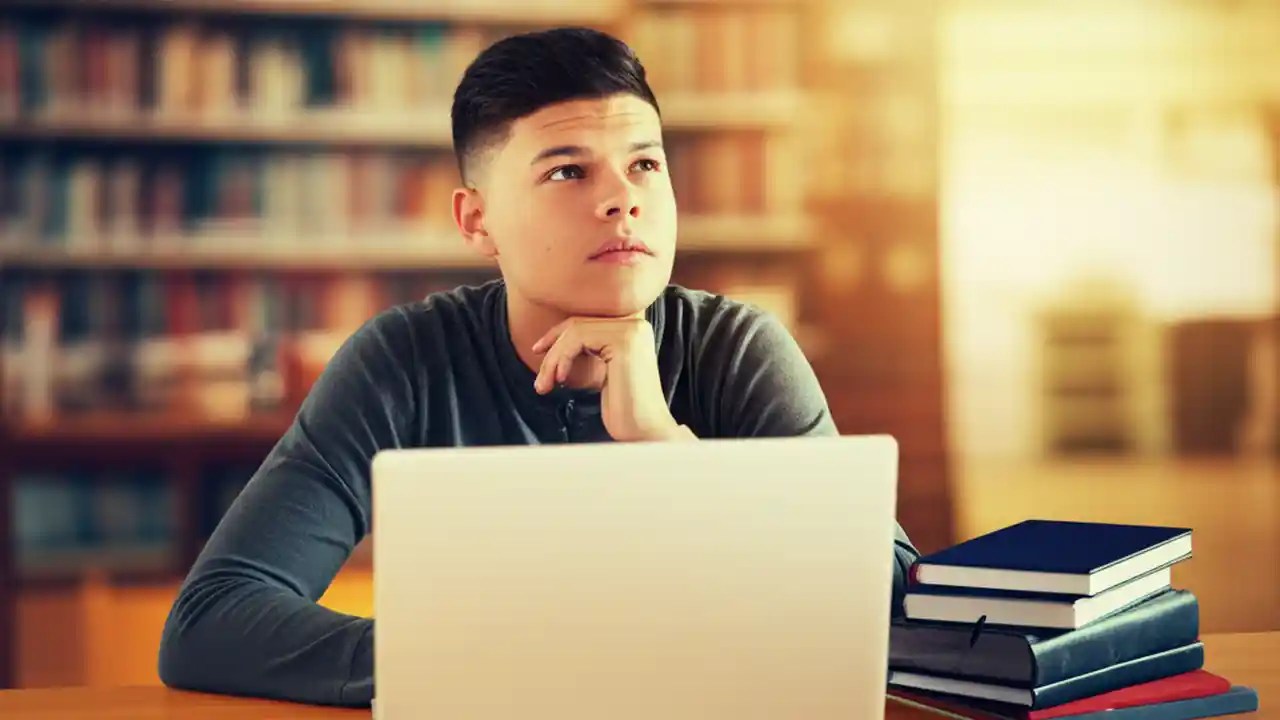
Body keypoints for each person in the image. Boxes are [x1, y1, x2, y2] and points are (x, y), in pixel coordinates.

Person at [157, 26, 920, 707]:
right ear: (476, 219)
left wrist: (666, 446)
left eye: (645, 165)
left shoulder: (737, 349)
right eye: (567, 172)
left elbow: (892, 600)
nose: (622, 200)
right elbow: (214, 618)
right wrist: (467, 666)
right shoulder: (403, 362)